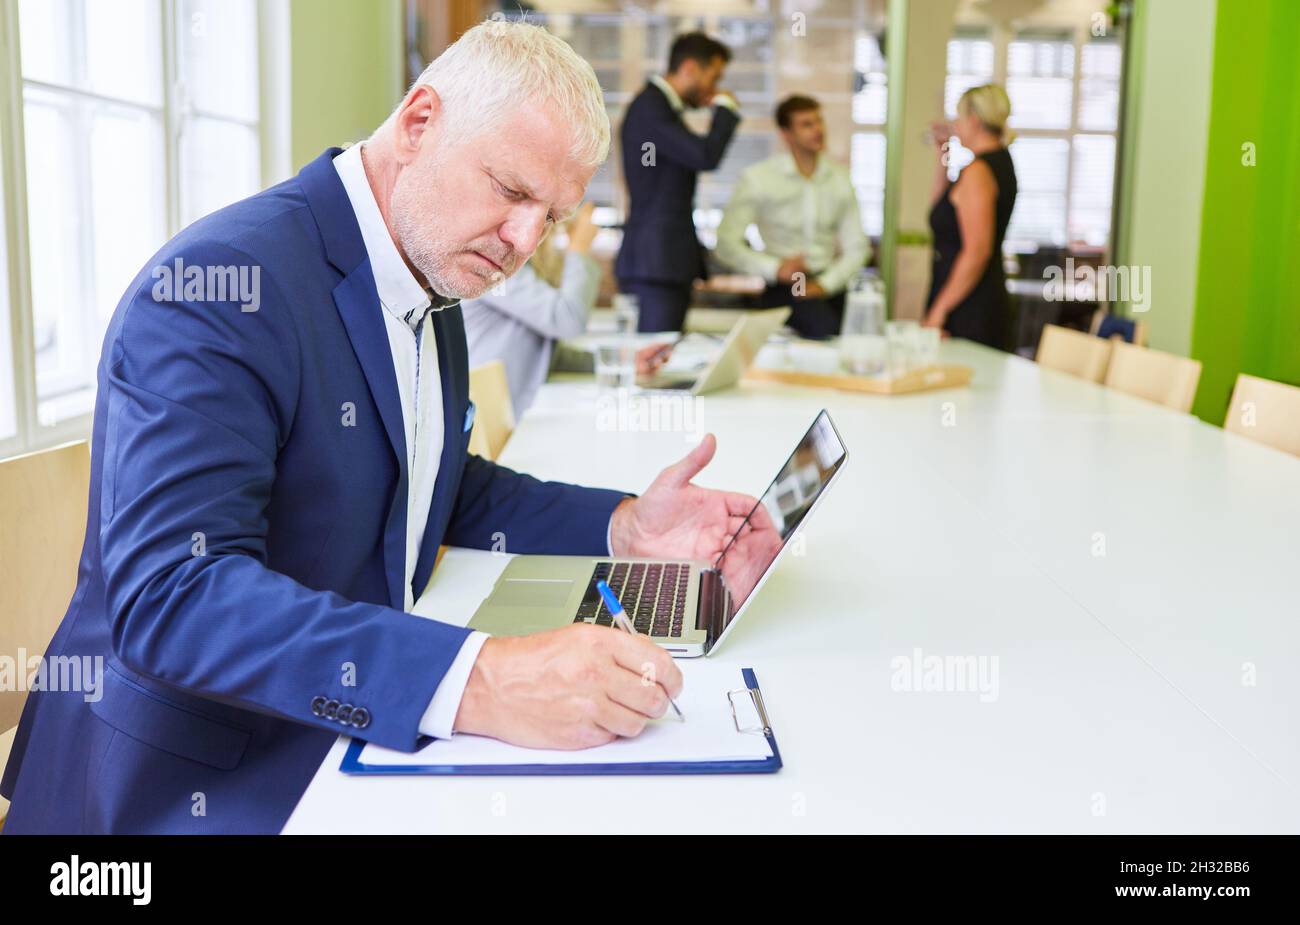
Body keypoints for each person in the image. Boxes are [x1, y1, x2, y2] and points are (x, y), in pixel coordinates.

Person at [0, 21, 768, 835]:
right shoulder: (217, 290)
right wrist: (484, 679)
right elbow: (173, 598)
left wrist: (627, 524)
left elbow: (438, 481)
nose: (523, 245)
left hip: (330, 721)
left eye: (551, 217)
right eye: (512, 192)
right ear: (418, 122)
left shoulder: (427, 266)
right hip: (180, 783)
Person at [715, 94, 870, 339]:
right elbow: (725, 243)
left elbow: (858, 248)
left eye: (819, 122)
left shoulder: (840, 179)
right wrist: (775, 268)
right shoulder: (759, 178)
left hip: (828, 282)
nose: (817, 130)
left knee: (861, 333)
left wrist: (826, 284)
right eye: (806, 124)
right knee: (822, 328)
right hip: (788, 284)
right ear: (786, 133)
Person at [614, 32, 739, 333]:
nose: (715, 87)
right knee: (651, 363)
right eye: (714, 76)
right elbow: (704, 155)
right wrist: (725, 108)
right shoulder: (651, 108)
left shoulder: (661, 109)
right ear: (690, 68)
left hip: (662, 264)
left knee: (661, 358)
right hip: (654, 265)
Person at [462, 203, 601, 415]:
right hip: (491, 420)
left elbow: (545, 351)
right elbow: (567, 320)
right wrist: (579, 249)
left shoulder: (525, 271)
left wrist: (611, 361)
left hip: (514, 414)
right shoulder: (495, 267)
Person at [922, 84, 1019, 349]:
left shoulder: (979, 172)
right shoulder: (992, 164)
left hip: (971, 306)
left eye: (959, 116)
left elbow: (977, 251)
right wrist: (942, 154)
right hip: (969, 297)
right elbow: (940, 210)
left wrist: (939, 311)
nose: (955, 124)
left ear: (973, 119)